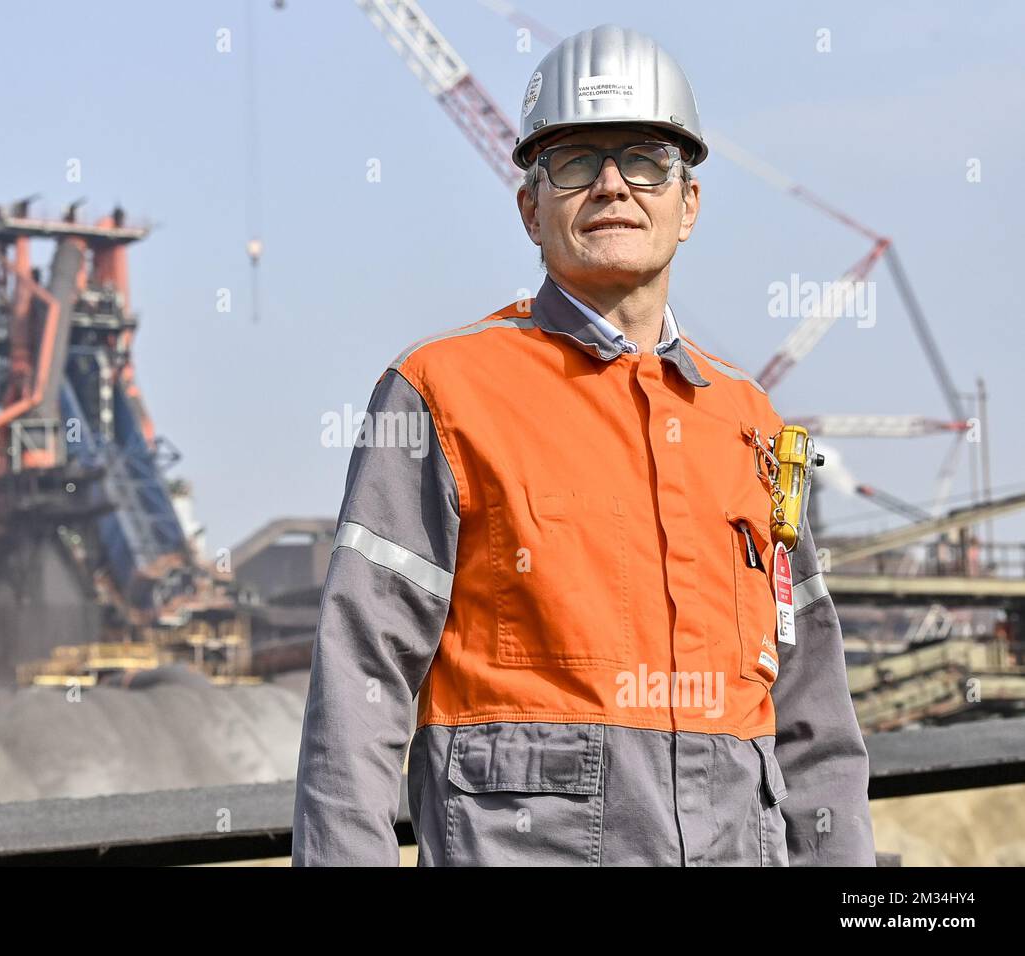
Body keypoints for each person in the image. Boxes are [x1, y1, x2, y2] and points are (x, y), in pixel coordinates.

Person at [292, 23, 875, 866]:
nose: (612, 186)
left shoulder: (751, 425)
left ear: (689, 205)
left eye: (644, 160)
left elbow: (815, 716)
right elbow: (361, 684)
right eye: (574, 162)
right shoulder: (439, 394)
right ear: (530, 207)